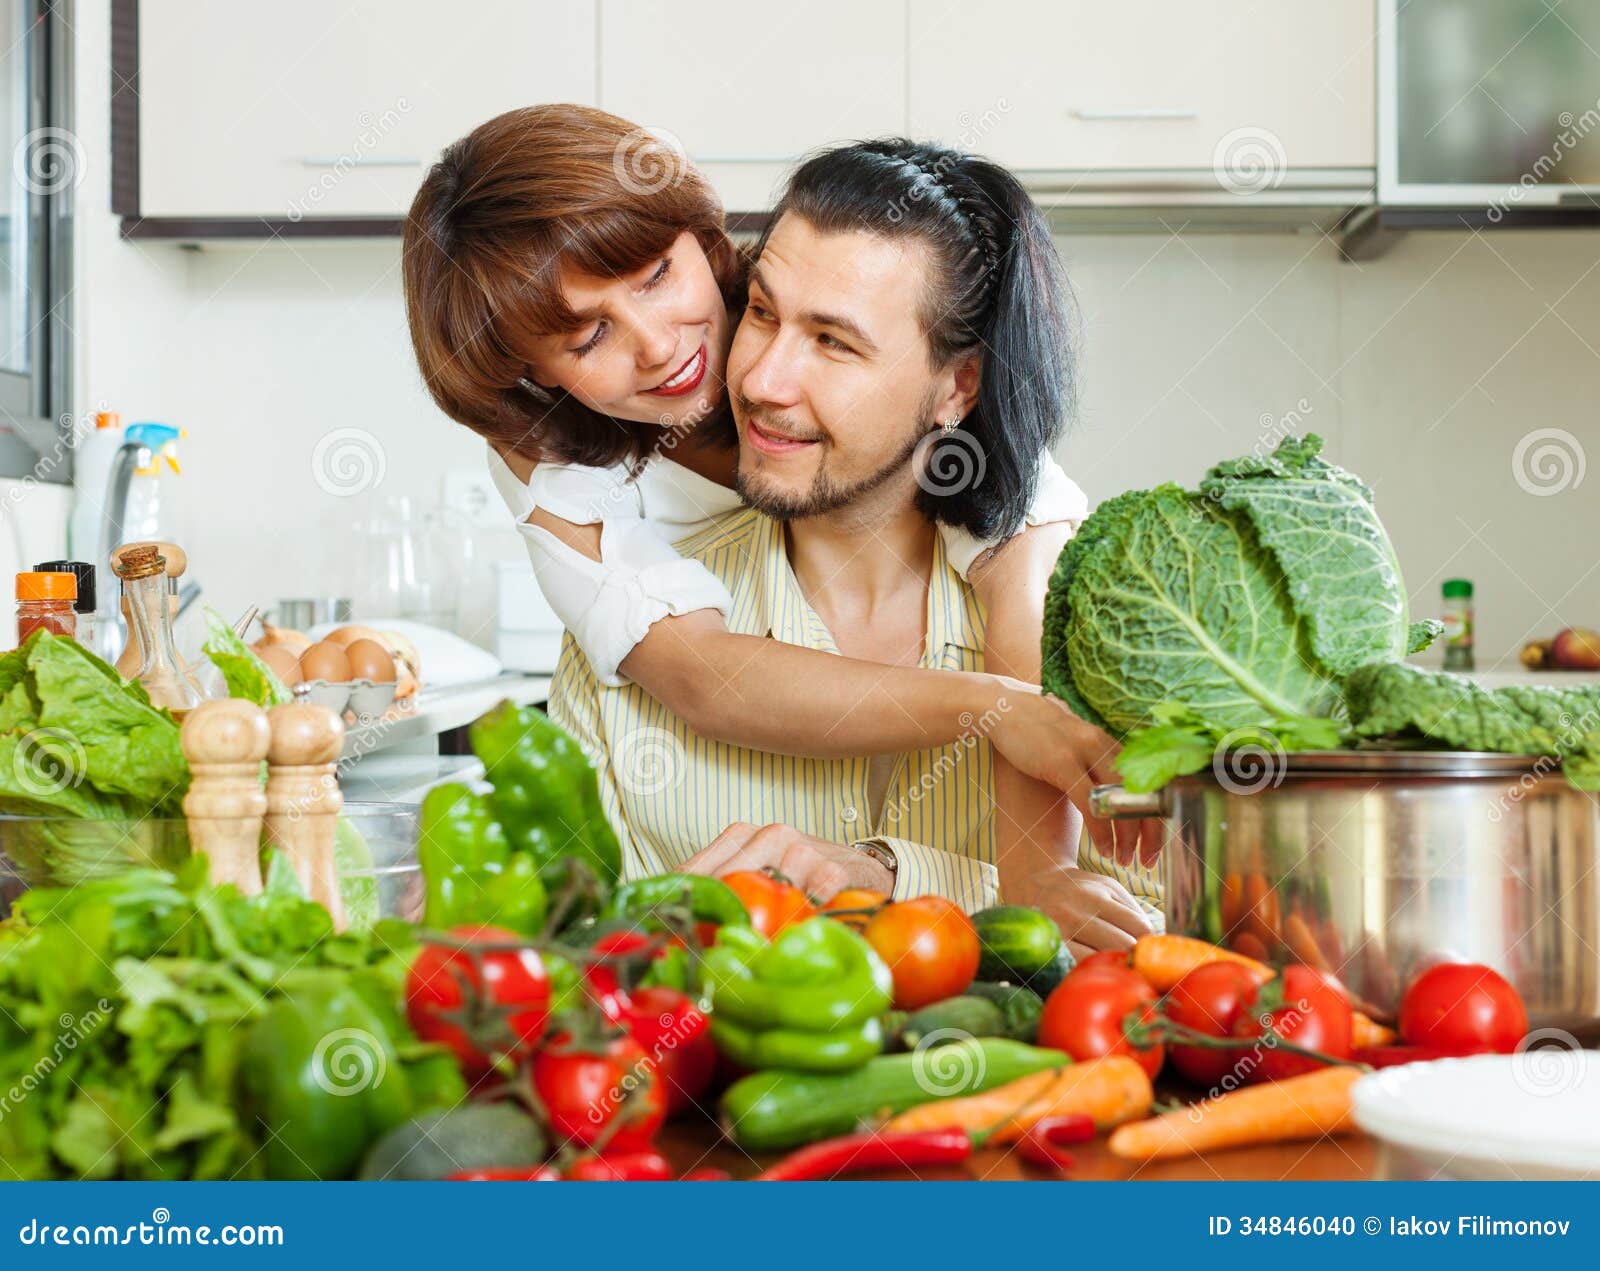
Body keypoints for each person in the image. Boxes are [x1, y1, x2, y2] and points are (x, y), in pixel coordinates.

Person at [540, 138, 1155, 953]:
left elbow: (1180, 912)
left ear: (956, 386)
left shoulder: (1090, 631)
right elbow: (574, 970)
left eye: (834, 342)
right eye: (762, 313)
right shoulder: (628, 637)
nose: (762, 380)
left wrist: (892, 883)